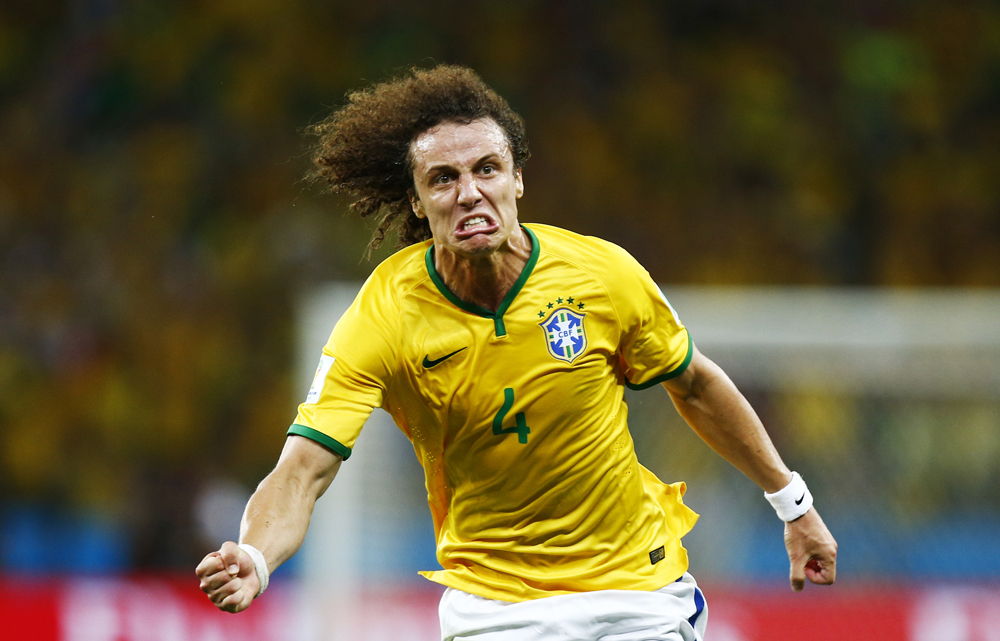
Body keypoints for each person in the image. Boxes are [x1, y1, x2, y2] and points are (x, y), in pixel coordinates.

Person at [196, 65, 837, 640]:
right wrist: (255, 556)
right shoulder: (385, 313)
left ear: (518, 179)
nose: (468, 193)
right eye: (442, 180)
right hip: (495, 611)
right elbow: (304, 466)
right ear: (417, 203)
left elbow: (694, 385)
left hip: (634, 595)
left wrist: (793, 504)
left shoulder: (602, 275)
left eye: (486, 169)